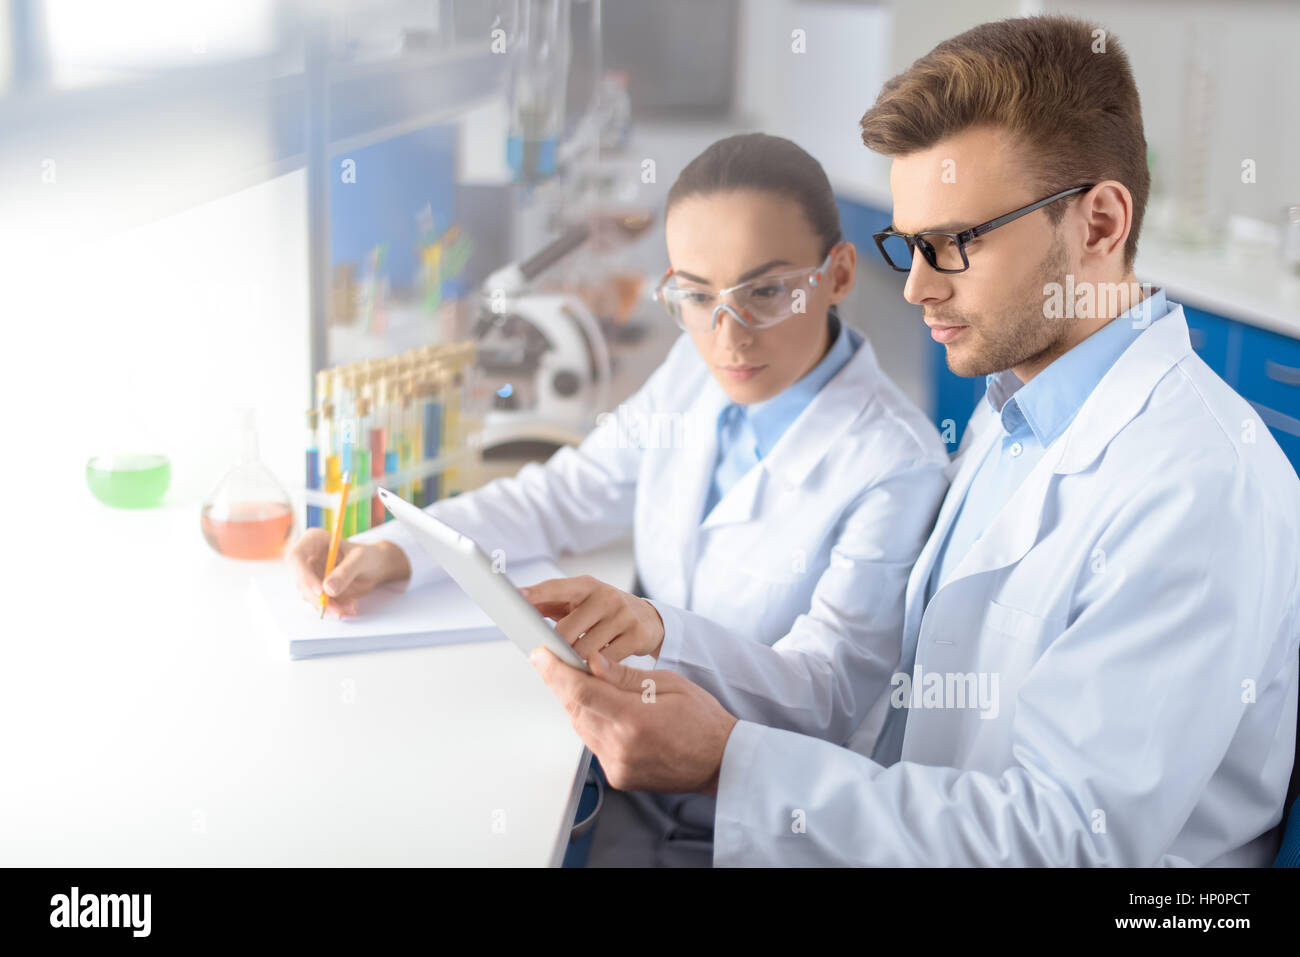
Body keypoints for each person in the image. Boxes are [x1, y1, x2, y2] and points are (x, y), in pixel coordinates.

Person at [527, 14, 1300, 866]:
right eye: (909, 245)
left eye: (956, 244)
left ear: (1100, 224)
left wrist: (728, 762)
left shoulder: (1196, 488)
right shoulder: (1017, 409)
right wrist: (666, 637)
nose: (918, 288)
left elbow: (1064, 843)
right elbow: (889, 690)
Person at [285, 133, 950, 865]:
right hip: (637, 787)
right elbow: (565, 495)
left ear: (840, 272)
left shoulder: (895, 463)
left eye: (764, 290)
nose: (726, 334)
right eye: (695, 295)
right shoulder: (695, 374)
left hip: (760, 831)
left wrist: (661, 629)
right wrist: (395, 549)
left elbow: (825, 696)